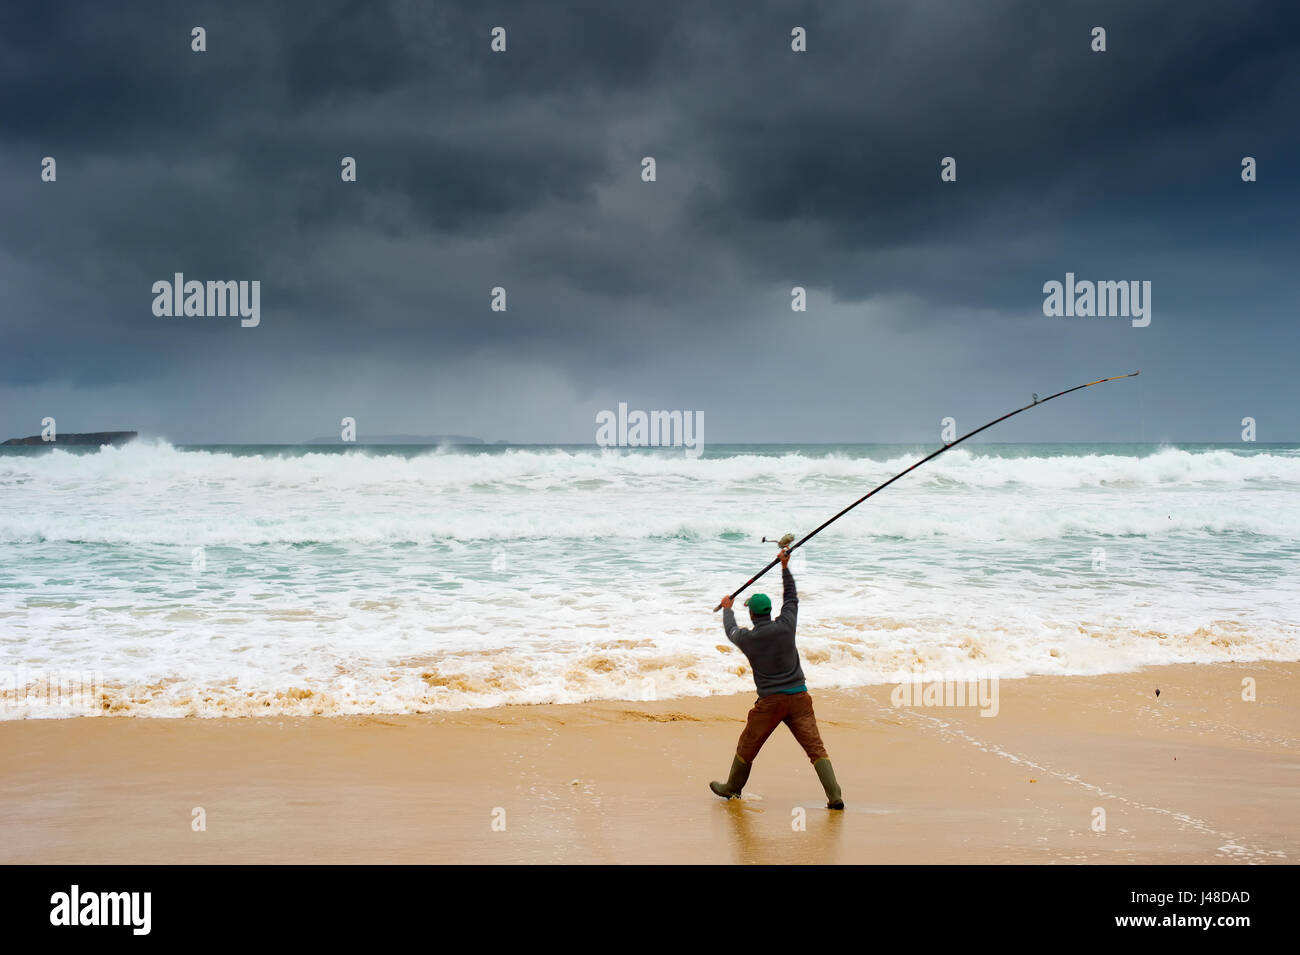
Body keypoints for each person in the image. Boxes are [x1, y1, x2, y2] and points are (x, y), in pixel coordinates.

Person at [712, 547, 844, 809]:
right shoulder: (786, 625)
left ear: (752, 614)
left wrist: (728, 608)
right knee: (815, 748)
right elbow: (791, 598)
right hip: (799, 697)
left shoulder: (748, 639)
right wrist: (784, 567)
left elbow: (730, 630)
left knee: (748, 745)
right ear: (770, 611)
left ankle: (732, 788)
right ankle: (835, 796)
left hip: (770, 702)